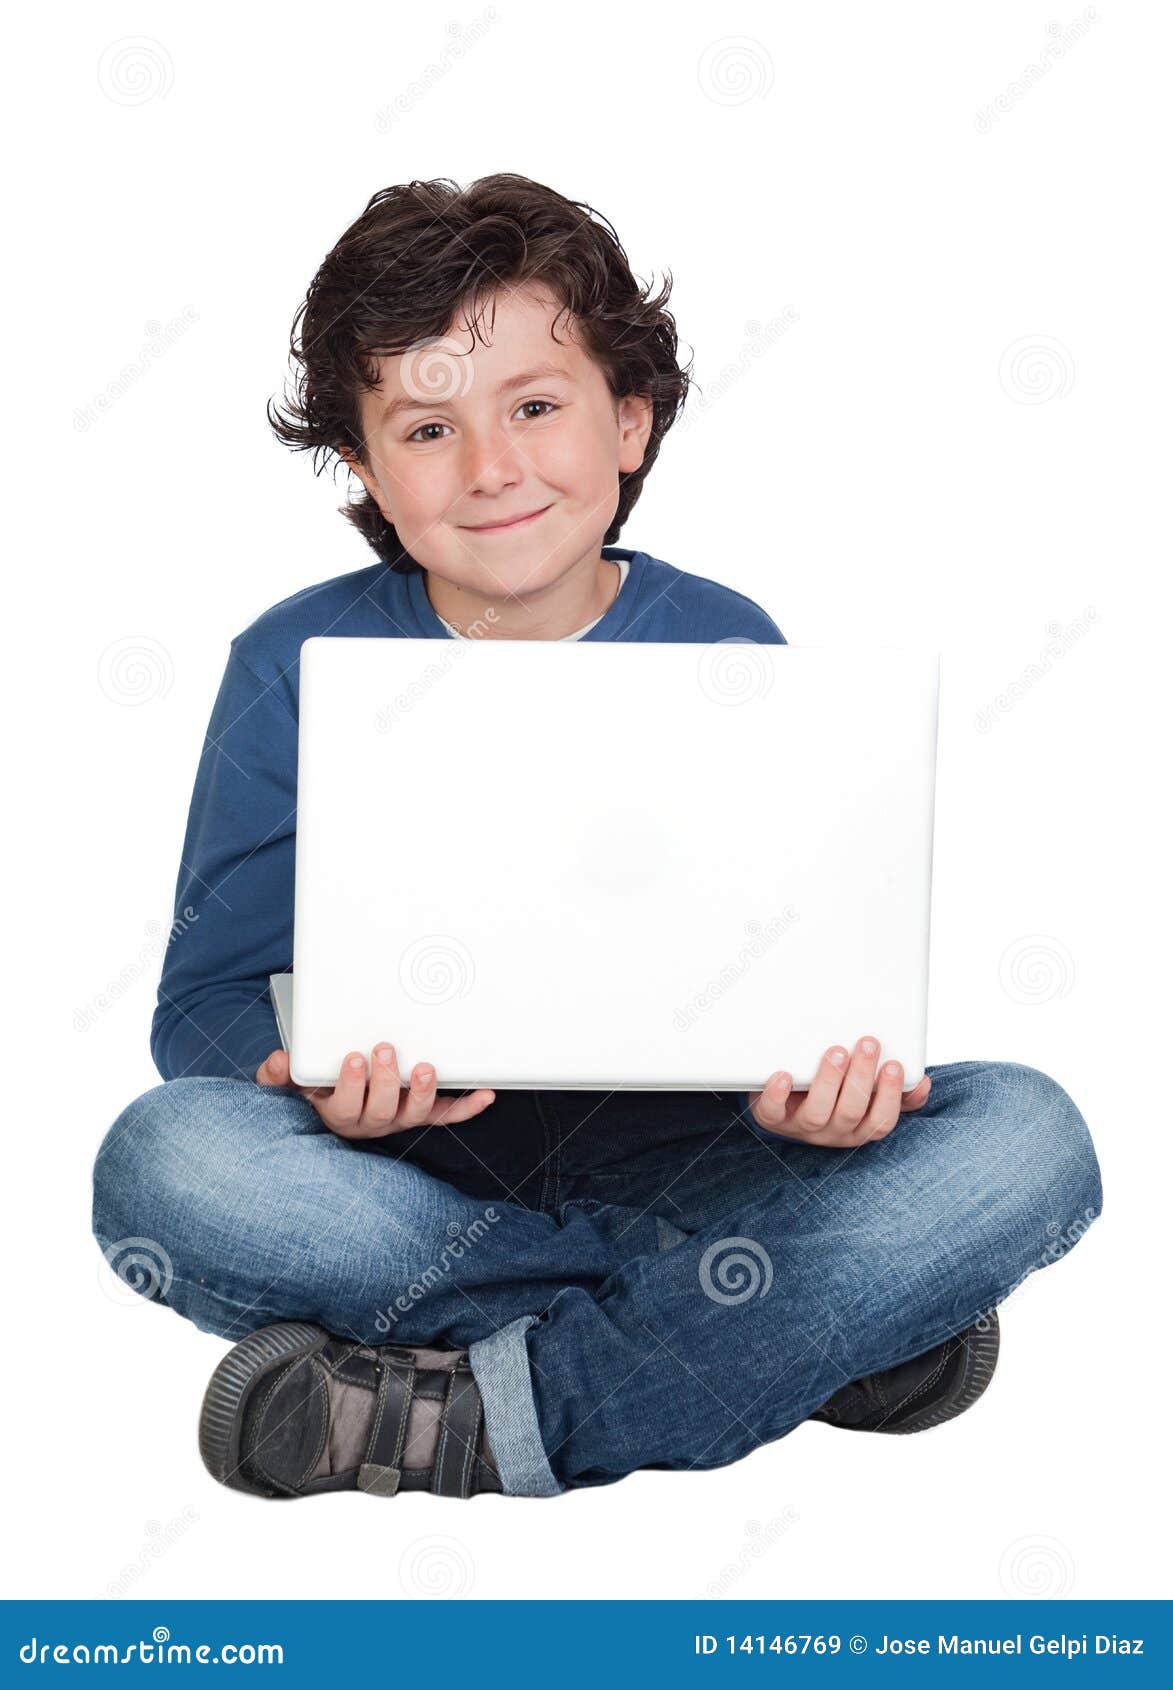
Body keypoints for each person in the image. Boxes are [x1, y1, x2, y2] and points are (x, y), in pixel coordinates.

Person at [91, 173, 1102, 1502]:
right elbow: (202, 1002)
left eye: (534, 407)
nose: (491, 468)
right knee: (165, 1164)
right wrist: (303, 1082)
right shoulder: (290, 661)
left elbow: (793, 970)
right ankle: (791, 1336)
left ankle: (474, 1413)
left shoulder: (727, 643)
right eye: (427, 427)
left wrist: (816, 1099)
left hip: (700, 1164)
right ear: (365, 467)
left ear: (628, 421)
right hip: (411, 1181)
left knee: (1028, 1135)